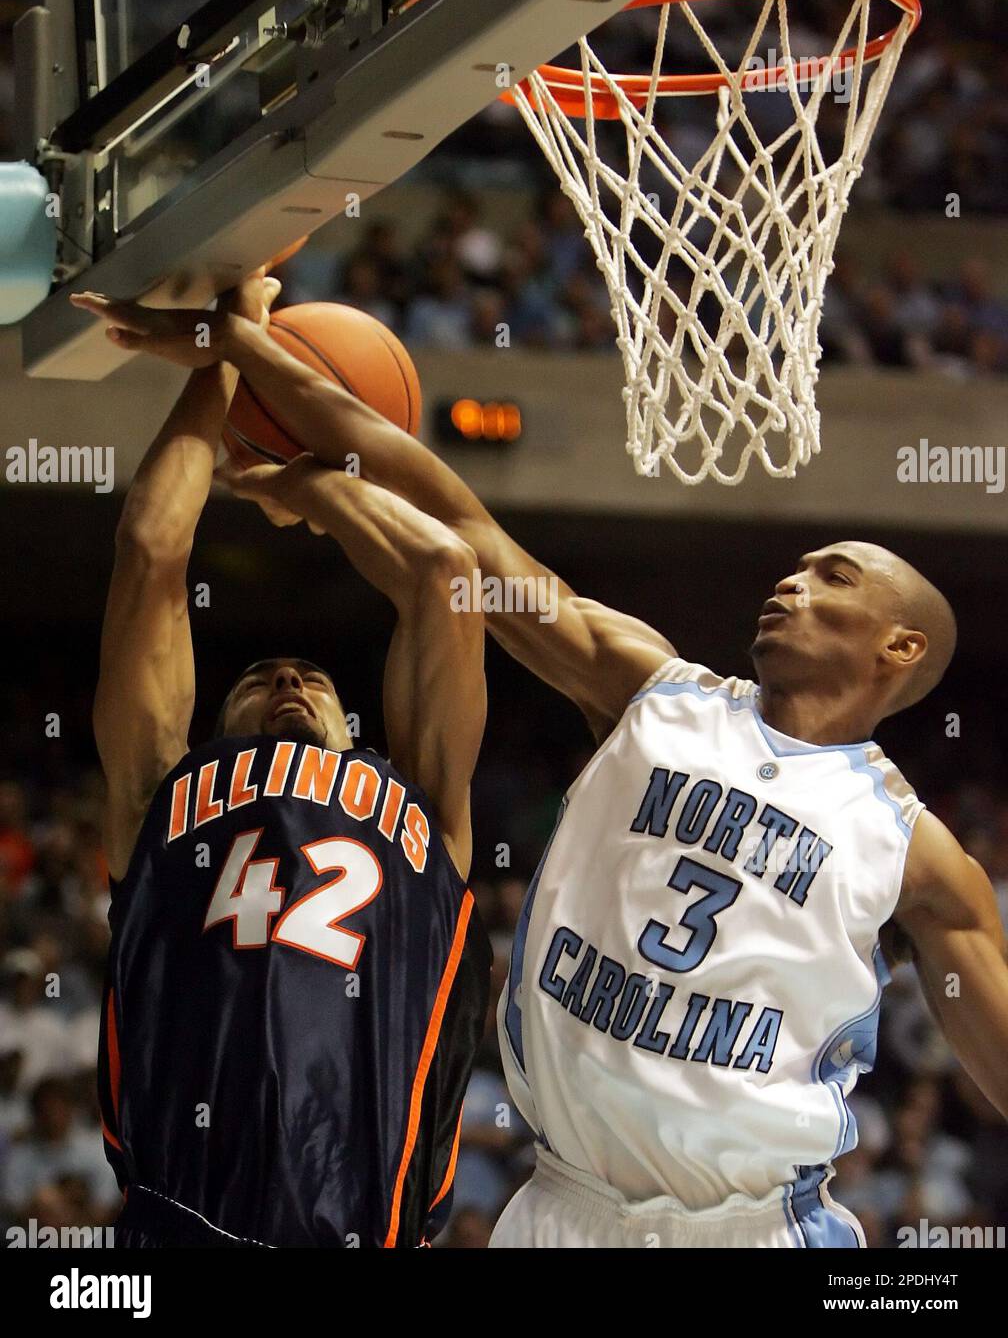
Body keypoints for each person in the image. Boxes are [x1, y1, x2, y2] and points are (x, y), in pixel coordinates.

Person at [71, 289, 1008, 1250]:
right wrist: (258, 373)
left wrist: (251, 371)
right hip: (559, 1206)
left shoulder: (914, 852)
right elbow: (462, 535)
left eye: (831, 578)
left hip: (757, 1225)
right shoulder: (654, 691)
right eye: (797, 567)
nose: (791, 582)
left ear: (900, 648)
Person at [72, 279, 490, 1248]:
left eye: (308, 676)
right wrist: (223, 354)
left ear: (356, 724)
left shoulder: (422, 805)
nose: (290, 681)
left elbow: (447, 574)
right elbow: (149, 546)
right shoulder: (161, 795)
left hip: (363, 1225)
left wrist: (311, 483)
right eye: (261, 676)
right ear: (221, 721)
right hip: (174, 1224)